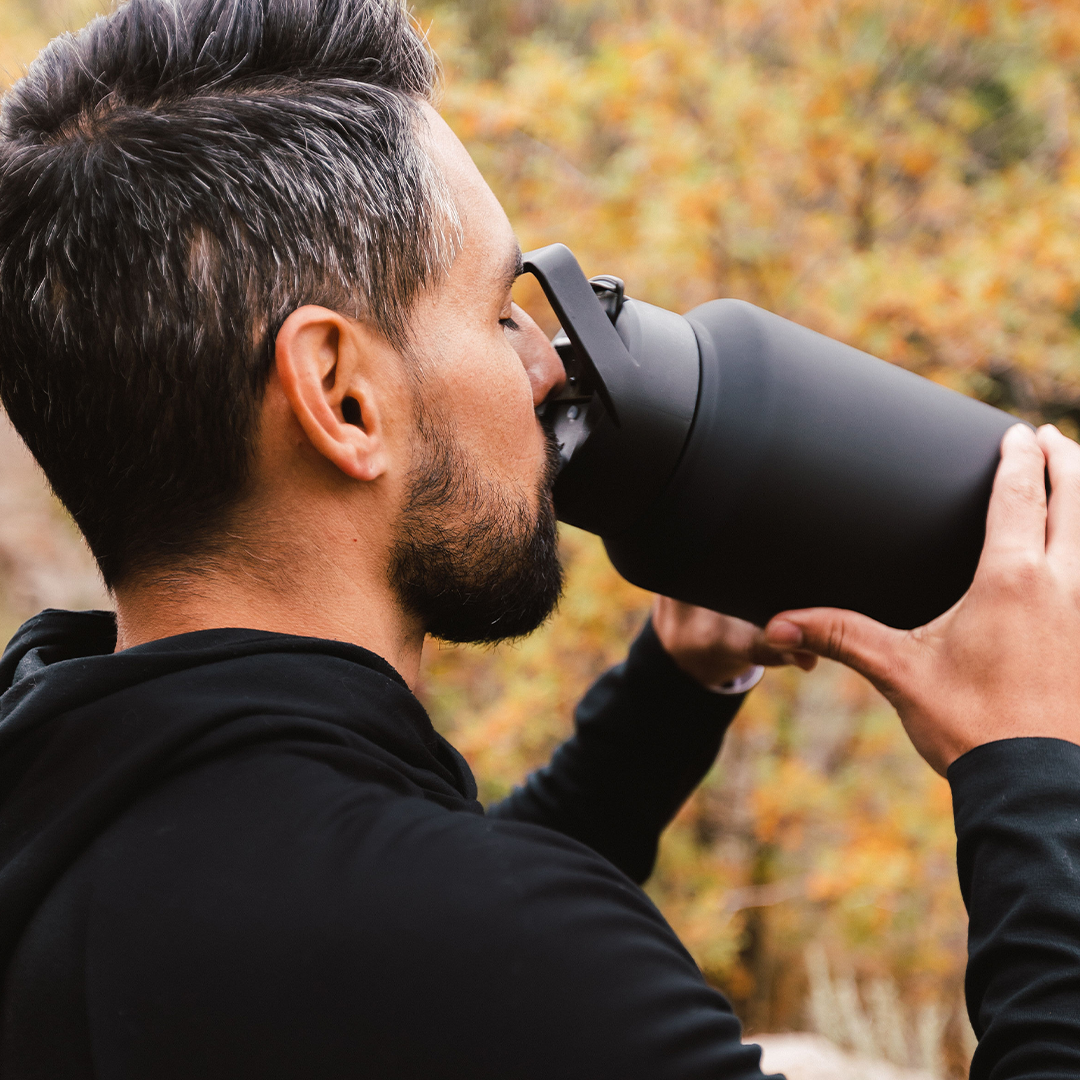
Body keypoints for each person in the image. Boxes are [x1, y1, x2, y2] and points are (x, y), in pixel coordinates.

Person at [0, 0, 1077, 1076]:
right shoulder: (490, 943)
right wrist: (1033, 768)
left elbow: (396, 960)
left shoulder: (64, 803)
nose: (547, 363)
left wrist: (671, 691)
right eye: (496, 308)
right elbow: (464, 953)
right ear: (341, 395)